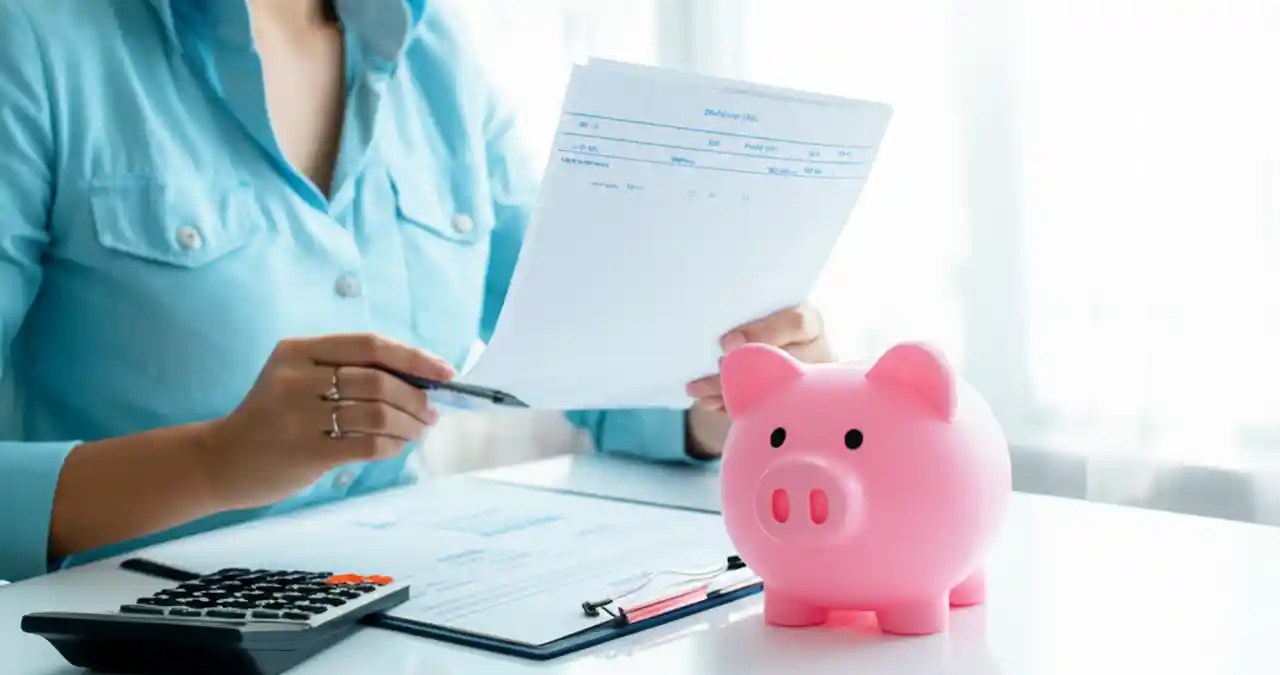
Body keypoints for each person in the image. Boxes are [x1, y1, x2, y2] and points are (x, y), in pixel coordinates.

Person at [0, 0, 834, 583]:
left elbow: (571, 349)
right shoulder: (34, 41)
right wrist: (215, 462)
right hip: (122, 645)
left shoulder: (435, 53)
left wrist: (711, 398)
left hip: (409, 600)